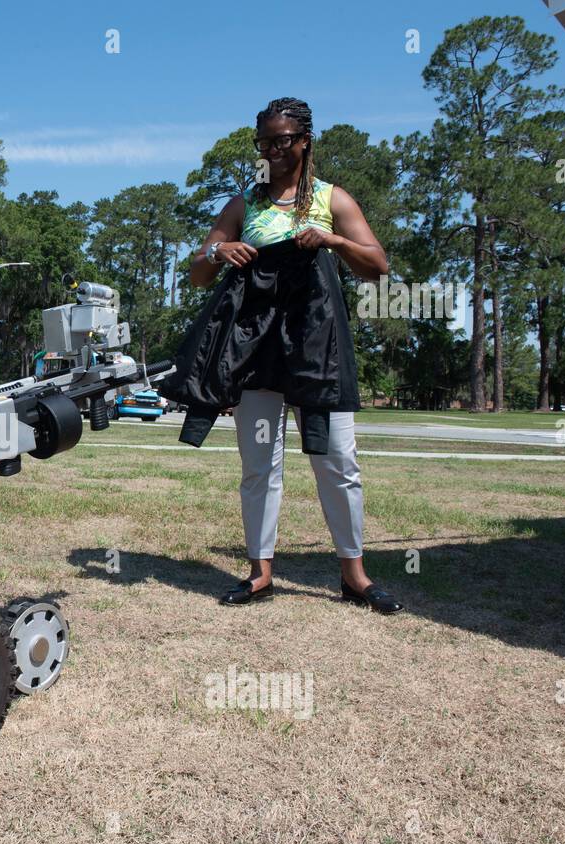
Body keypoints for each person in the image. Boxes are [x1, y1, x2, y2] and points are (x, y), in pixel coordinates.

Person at [188, 96, 403, 615]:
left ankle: (354, 574)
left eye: (281, 141)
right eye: (263, 142)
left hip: (315, 346)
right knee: (260, 464)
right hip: (257, 349)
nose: (271, 151)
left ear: (304, 141)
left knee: (338, 460)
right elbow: (197, 270)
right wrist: (219, 252)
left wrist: (331, 239)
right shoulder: (244, 205)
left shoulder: (334, 199)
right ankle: (261, 571)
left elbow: (378, 265)